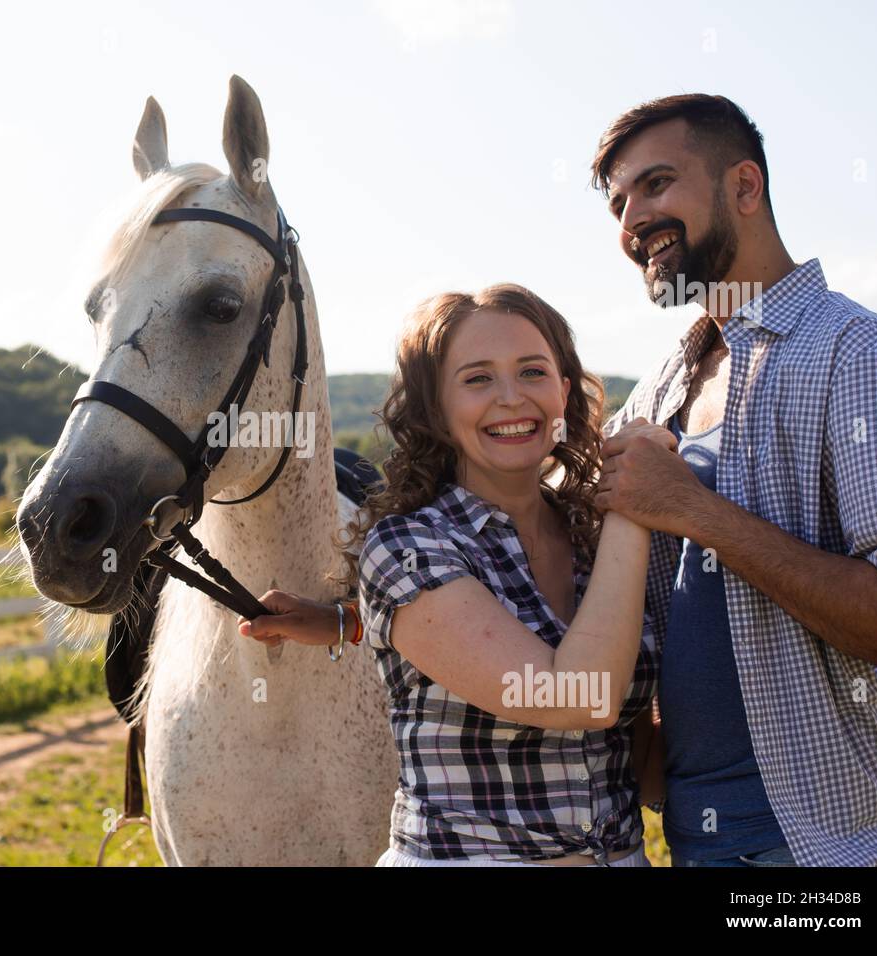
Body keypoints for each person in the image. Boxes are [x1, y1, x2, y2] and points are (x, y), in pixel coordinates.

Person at [588, 93, 877, 867]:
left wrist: (695, 511)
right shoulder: (663, 383)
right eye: (619, 203)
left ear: (744, 186)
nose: (633, 220)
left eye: (657, 185)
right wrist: (347, 618)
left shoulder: (859, 354)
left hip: (830, 844)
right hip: (696, 830)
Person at [241, 284, 662, 865]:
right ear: (436, 409)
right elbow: (578, 700)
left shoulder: (592, 544)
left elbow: (634, 748)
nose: (511, 398)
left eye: (533, 372)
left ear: (564, 391)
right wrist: (634, 505)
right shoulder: (407, 546)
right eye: (478, 378)